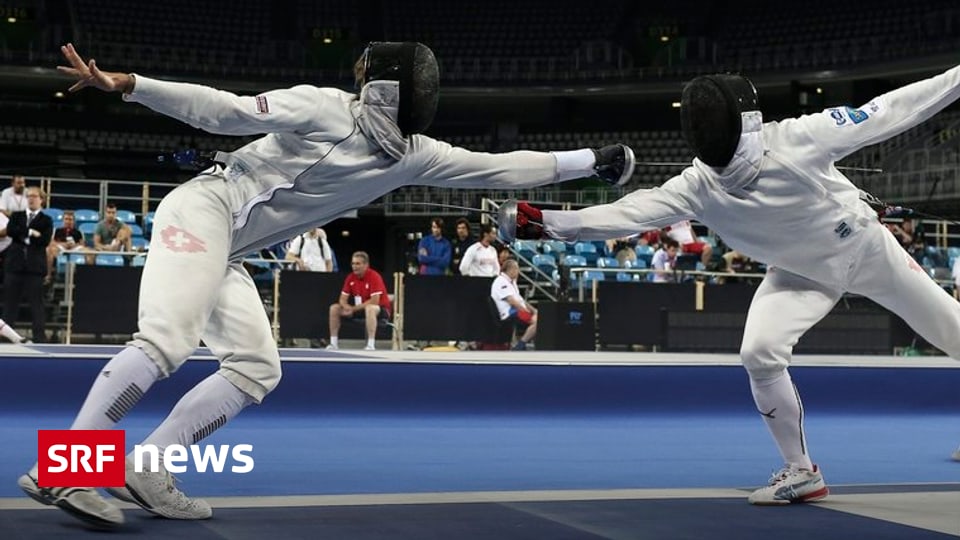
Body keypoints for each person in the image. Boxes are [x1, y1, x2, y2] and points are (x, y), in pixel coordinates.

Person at [19, 42, 635, 528]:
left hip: (232, 248)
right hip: (205, 207)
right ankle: (62, 469)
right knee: (166, 342)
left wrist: (592, 160)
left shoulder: (414, 153)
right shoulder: (323, 106)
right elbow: (227, 110)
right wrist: (130, 84)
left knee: (256, 369)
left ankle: (148, 467)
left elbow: (499, 167)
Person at [508, 65, 960, 504]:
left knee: (951, 328)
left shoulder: (800, 137)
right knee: (760, 353)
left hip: (865, 249)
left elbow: (890, 109)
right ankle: (802, 471)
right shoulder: (697, 185)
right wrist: (548, 223)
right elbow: (626, 214)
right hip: (799, 272)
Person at [3, 187, 53, 343]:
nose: (31, 199)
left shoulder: (46, 220)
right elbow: (11, 231)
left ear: (41, 199)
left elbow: (44, 240)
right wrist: (31, 232)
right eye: (29, 196)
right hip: (15, 267)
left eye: (34, 196)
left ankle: (39, 336)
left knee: (36, 304)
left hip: (34, 269)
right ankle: (7, 337)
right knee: (10, 304)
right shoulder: (17, 216)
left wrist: (22, 233)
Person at [327, 251, 391, 351]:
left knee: (370, 308)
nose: (354, 266)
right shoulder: (350, 277)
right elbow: (342, 299)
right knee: (334, 308)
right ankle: (333, 343)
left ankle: (370, 345)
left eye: (358, 264)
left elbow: (374, 301)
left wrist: (353, 309)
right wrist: (346, 307)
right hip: (359, 309)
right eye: (353, 263)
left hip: (380, 310)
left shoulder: (374, 276)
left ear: (366, 265)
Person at [491, 259, 537, 350]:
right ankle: (520, 346)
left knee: (540, 318)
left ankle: (525, 344)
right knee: (539, 322)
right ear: (510, 270)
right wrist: (527, 312)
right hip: (509, 312)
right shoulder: (501, 281)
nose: (518, 271)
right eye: (517, 269)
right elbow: (512, 302)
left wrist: (534, 310)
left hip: (516, 310)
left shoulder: (512, 282)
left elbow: (521, 300)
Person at [46, 209, 92, 284]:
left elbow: (82, 244)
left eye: (70, 219)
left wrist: (74, 245)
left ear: (74, 221)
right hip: (60, 248)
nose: (68, 221)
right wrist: (63, 244)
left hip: (75, 248)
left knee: (90, 251)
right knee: (48, 249)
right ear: (63, 220)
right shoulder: (56, 230)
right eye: (66, 219)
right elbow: (51, 243)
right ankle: (48, 275)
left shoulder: (79, 232)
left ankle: (88, 277)